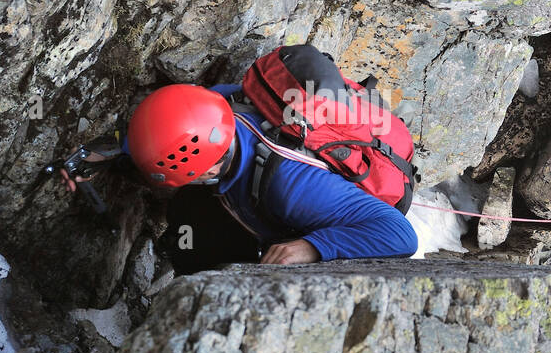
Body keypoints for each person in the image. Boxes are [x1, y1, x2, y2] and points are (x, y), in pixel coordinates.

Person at [61, 83, 417, 273]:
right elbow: (175, 126)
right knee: (189, 213)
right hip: (248, 185)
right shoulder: (217, 103)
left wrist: (312, 247)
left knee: (200, 234)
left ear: (211, 169)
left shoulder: (292, 190)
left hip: (322, 216)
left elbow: (400, 235)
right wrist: (111, 151)